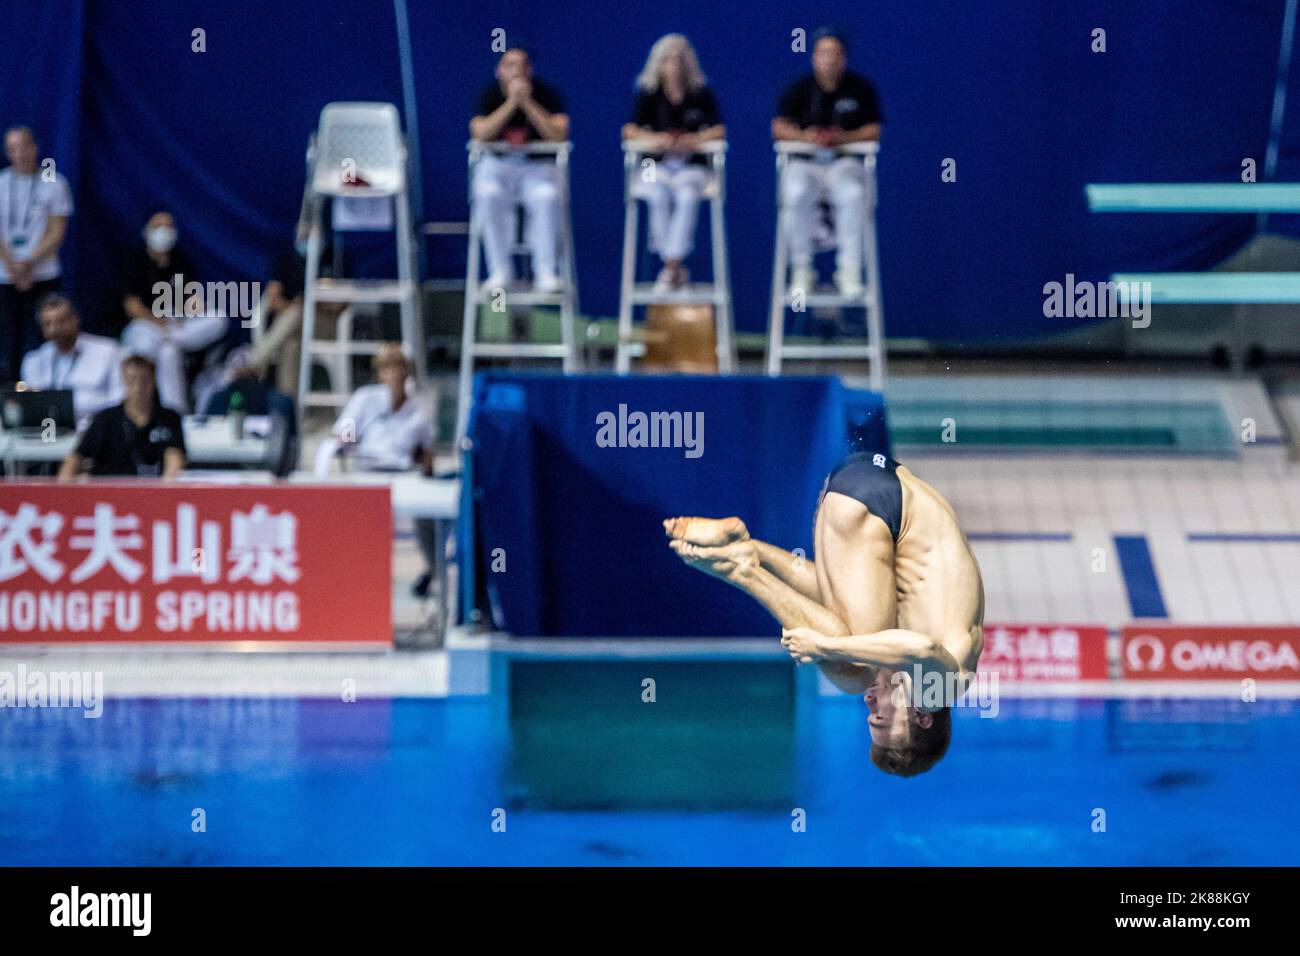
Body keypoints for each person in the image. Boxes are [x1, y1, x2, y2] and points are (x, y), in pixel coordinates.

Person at [665, 451, 984, 777]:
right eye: (880, 717)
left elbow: (843, 587)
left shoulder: (926, 636)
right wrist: (823, 648)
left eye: (869, 717)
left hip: (864, 480)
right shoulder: (939, 691)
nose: (869, 704)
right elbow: (922, 649)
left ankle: (748, 549)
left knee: (852, 634)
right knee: (857, 671)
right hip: (872, 504)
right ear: (923, 718)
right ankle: (743, 571)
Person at [772, 28, 883, 296]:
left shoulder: (860, 89)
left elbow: (874, 130)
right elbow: (778, 127)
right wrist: (806, 137)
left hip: (843, 163)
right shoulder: (799, 89)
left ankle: (849, 271)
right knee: (795, 194)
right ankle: (801, 268)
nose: (829, 60)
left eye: (835, 54)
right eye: (823, 53)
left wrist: (843, 138)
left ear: (843, 58)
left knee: (854, 194)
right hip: (806, 164)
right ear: (814, 57)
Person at [326, 343, 439, 596]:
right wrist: (347, 439)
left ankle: (432, 568)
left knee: (428, 513)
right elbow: (343, 433)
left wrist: (429, 474)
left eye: (398, 366)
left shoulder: (420, 408)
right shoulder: (365, 399)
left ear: (406, 371)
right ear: (380, 373)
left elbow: (427, 451)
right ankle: (357, 575)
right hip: (368, 469)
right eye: (387, 368)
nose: (393, 373)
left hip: (405, 473)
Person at [623, 34, 725, 292]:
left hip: (691, 166)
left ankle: (670, 266)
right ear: (658, 63)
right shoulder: (647, 93)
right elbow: (629, 131)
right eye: (668, 60)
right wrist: (657, 139)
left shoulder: (701, 94)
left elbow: (719, 130)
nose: (674, 66)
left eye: (679, 60)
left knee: (688, 196)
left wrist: (693, 139)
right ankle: (674, 268)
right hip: (652, 166)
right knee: (656, 194)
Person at [470, 44, 569, 293]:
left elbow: (558, 135)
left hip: (537, 171)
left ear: (530, 70)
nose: (517, 71)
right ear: (499, 71)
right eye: (510, 65)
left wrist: (527, 104)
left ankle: (545, 271)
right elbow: (480, 134)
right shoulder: (489, 95)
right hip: (499, 170)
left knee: (548, 197)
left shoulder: (546, 94)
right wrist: (512, 103)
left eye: (522, 65)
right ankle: (500, 270)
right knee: (487, 194)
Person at [120, 210, 228, 412]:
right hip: (146, 326)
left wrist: (193, 309)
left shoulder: (181, 260)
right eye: (158, 226)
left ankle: (177, 412)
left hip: (176, 326)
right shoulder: (135, 260)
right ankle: (174, 410)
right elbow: (132, 305)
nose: (164, 231)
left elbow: (191, 298)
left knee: (218, 319)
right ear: (146, 231)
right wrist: (155, 321)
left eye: (169, 226)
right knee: (163, 350)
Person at [0, 126, 74, 385]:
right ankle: (7, 406)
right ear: (8, 152)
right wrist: (12, 264)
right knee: (5, 347)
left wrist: (28, 263)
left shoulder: (54, 181)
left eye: (24, 147)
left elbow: (57, 230)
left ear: (35, 147)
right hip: (4, 276)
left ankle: (39, 402)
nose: (19, 154)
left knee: (40, 343)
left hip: (42, 274)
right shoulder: (1, 182)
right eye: (13, 149)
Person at [58, 353, 186, 480]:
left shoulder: (169, 418)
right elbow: (77, 456)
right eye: (132, 380)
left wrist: (167, 486)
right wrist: (65, 484)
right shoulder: (106, 418)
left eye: (144, 380)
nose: (138, 387)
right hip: (109, 490)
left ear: (153, 380)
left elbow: (174, 457)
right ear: (123, 380)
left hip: (153, 488)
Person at [20, 293, 123, 423]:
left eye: (61, 321)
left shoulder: (108, 351)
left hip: (96, 428)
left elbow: (118, 399)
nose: (55, 329)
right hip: (49, 431)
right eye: (47, 324)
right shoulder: (33, 360)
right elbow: (33, 406)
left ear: (75, 319)